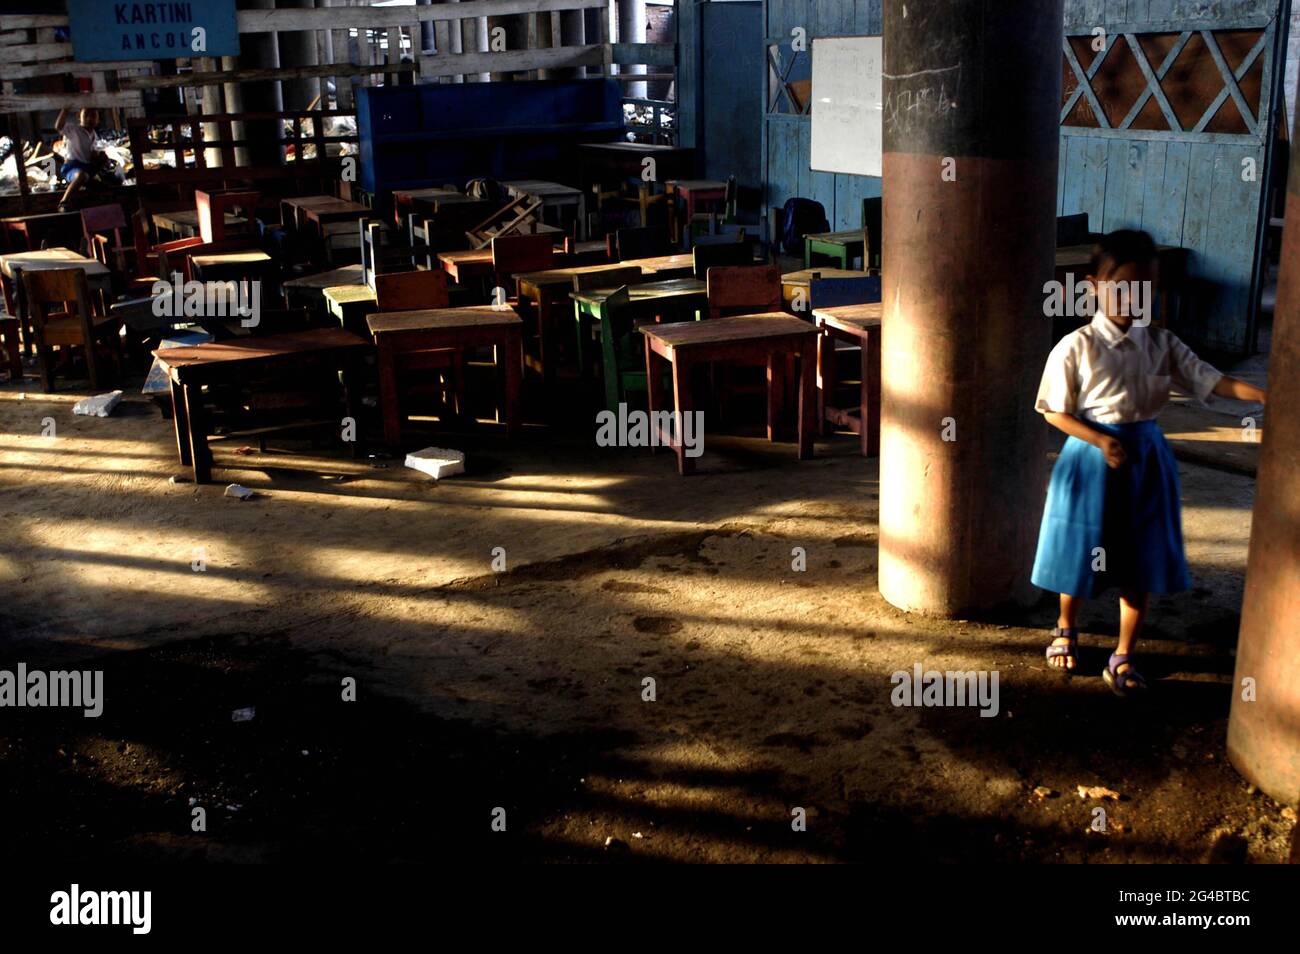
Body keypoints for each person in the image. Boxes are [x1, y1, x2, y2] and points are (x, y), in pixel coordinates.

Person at [1031, 229, 1266, 695]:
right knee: (1080, 548)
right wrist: (1099, 439)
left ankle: (1123, 653)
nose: (1132, 298)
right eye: (1121, 286)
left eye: (1145, 288)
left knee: (1137, 559)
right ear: (1093, 285)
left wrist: (1262, 395)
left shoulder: (1161, 343)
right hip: (1089, 460)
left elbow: (1211, 380)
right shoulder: (1076, 346)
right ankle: (1066, 626)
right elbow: (1053, 411)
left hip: (1145, 461)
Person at [54, 107, 101, 211]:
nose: (89, 119)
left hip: (86, 167)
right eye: (86, 115)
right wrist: (65, 109)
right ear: (79, 116)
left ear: (98, 119)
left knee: (103, 159)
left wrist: (98, 157)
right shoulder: (73, 130)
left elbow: (92, 155)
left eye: (93, 116)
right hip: (72, 168)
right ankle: (63, 202)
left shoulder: (94, 135)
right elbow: (58, 126)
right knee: (81, 176)